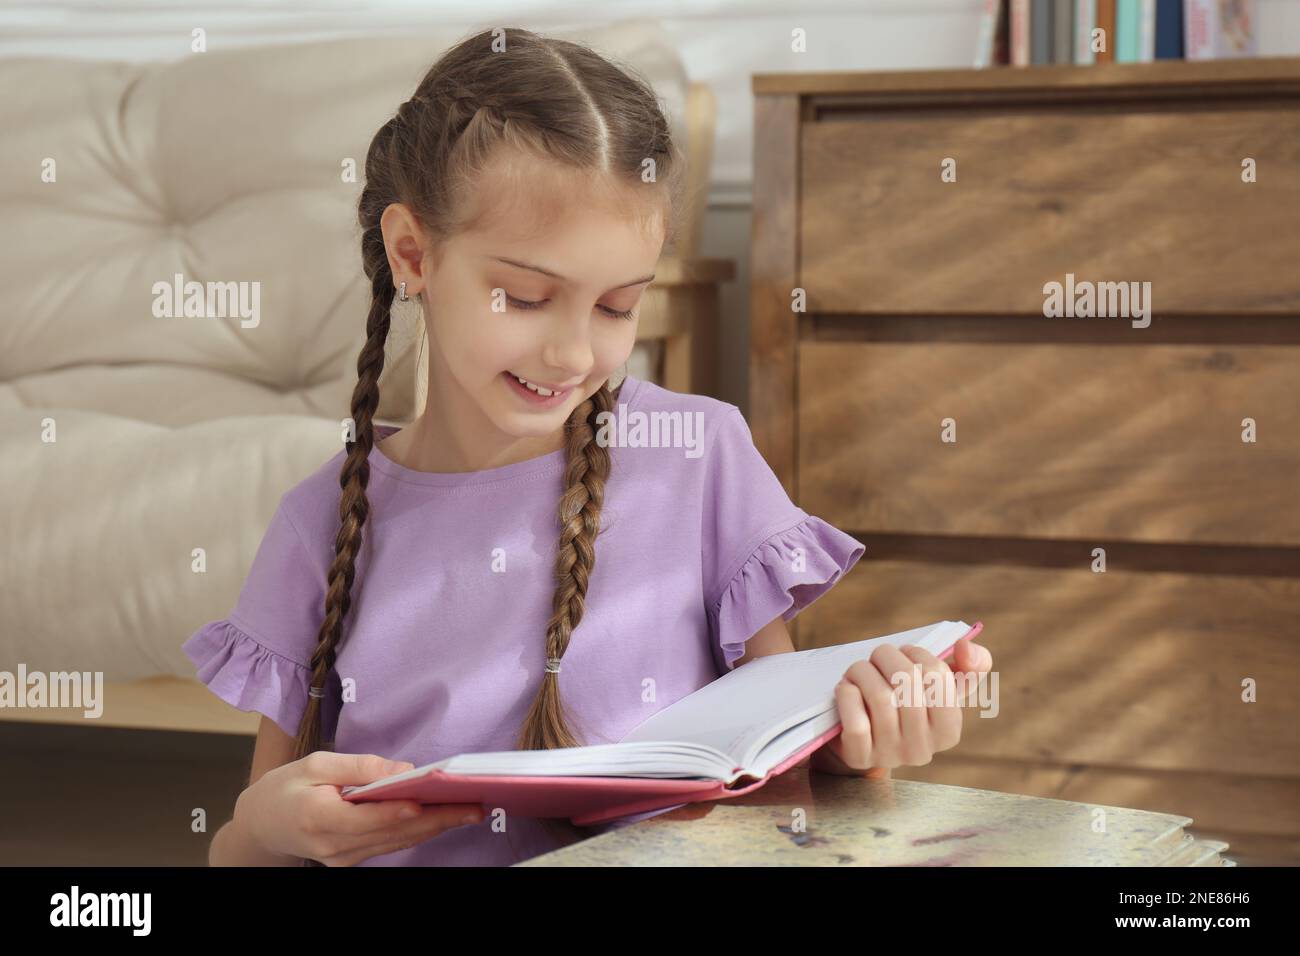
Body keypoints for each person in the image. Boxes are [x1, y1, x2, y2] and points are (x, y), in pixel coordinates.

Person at [183, 26, 992, 867]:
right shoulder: (321, 526)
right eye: (527, 297)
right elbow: (251, 849)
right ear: (413, 254)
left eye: (615, 307)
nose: (573, 354)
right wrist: (260, 832)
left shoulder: (700, 457)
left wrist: (868, 741)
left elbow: (778, 787)